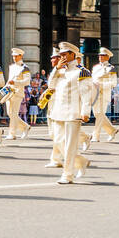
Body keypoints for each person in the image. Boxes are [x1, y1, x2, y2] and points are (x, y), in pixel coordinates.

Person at [48, 42, 95, 185]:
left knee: (69, 145)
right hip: (58, 111)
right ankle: (81, 161)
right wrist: (56, 69)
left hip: (73, 112)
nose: (61, 57)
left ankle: (67, 174)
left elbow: (87, 94)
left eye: (64, 54)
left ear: (72, 55)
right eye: (60, 55)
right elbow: (51, 85)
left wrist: (85, 112)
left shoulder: (81, 71)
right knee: (58, 140)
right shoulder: (60, 71)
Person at [90, 46, 119, 142]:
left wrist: (101, 84)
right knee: (97, 114)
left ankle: (96, 135)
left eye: (103, 55)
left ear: (107, 57)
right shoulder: (95, 67)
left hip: (103, 93)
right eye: (99, 55)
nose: (100, 57)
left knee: (100, 113)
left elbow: (113, 83)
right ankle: (112, 130)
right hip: (94, 93)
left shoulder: (111, 68)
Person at [3, 48, 31, 140]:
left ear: (21, 56)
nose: (14, 58)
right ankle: (25, 126)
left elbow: (27, 81)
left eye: (16, 56)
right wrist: (4, 89)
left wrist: (15, 82)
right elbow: (9, 80)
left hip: (18, 92)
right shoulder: (11, 67)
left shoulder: (24, 67)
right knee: (10, 113)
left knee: (14, 113)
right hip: (9, 91)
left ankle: (12, 133)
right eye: (13, 56)